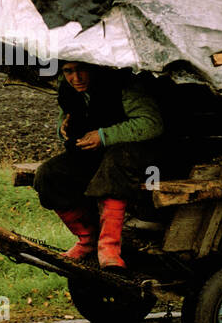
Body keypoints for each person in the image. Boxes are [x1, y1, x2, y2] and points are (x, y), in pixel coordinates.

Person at [33, 60, 164, 271]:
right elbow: (64, 117)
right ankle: (87, 240)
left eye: (81, 70)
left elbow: (152, 123)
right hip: (97, 156)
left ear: (95, 66)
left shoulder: (124, 84)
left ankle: (109, 249)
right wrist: (63, 128)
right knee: (48, 175)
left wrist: (104, 136)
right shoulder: (67, 89)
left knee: (115, 162)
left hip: (141, 158)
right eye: (68, 71)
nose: (76, 78)